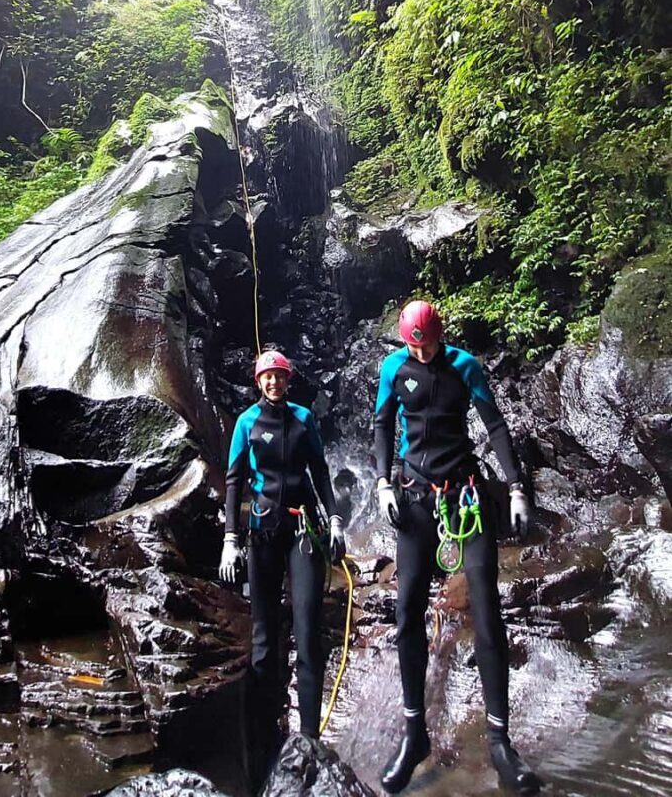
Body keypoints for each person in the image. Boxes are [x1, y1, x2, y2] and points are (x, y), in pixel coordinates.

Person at [373, 300, 542, 795]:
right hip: (415, 498)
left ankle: (500, 742)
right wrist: (382, 483)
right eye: (413, 343)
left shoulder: (465, 365)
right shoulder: (392, 368)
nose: (421, 351)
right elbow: (383, 425)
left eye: (426, 342)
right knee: (406, 613)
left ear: (438, 335)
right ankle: (414, 736)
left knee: (487, 609)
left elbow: (494, 425)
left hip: (465, 496)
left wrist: (514, 486)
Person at [218, 349, 345, 755]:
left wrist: (336, 518)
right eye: (267, 377)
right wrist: (230, 538)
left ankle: (309, 736)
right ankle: (263, 731)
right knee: (264, 635)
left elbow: (320, 472)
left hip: (303, 532)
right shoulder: (246, 423)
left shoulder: (304, 419)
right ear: (259, 382)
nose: (274, 382)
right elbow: (234, 481)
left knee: (307, 630)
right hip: (263, 536)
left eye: (280, 376)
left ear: (288, 380)